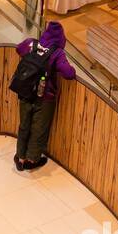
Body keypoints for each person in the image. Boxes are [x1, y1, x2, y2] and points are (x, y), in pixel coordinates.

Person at [10, 21, 77, 171]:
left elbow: (18, 49)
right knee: (38, 129)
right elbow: (68, 73)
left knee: (24, 125)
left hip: (25, 92)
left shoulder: (31, 44)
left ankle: (20, 158)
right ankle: (31, 160)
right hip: (44, 97)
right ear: (61, 39)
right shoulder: (57, 53)